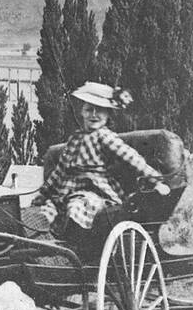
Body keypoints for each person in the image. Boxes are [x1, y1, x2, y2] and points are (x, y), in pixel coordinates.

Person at [30, 81, 170, 232]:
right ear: (82, 112)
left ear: (108, 115)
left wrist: (157, 181)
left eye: (100, 111)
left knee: (75, 207)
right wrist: (41, 197)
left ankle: (76, 245)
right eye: (89, 110)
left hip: (94, 194)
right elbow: (59, 173)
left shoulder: (105, 136)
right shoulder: (75, 139)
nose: (94, 115)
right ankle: (49, 248)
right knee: (45, 212)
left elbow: (132, 158)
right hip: (65, 193)